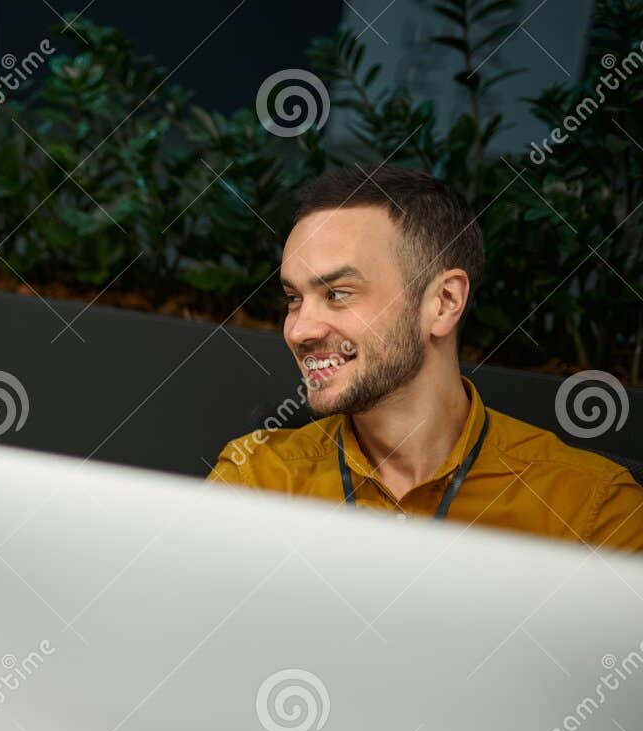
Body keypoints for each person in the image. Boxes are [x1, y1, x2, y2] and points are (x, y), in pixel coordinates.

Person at [208, 164, 643, 552]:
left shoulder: (591, 508)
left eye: (337, 294)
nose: (300, 330)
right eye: (293, 298)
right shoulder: (257, 480)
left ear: (444, 302)